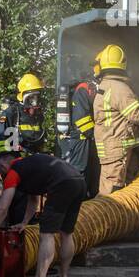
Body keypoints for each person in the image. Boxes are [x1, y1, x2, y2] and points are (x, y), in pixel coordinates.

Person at [0, 151, 85, 277]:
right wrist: (24, 222)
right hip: (79, 182)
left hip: (61, 185)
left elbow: (3, 208)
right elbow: (33, 200)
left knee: (47, 234)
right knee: (66, 233)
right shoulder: (31, 165)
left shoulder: (14, 172)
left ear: (2, 164)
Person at [92, 44, 139, 193]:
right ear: (122, 63)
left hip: (112, 146)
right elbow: (138, 116)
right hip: (117, 148)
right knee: (111, 192)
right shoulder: (119, 88)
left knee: (120, 190)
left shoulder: (106, 85)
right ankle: (106, 216)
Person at [57, 63, 99, 198]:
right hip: (79, 140)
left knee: (84, 171)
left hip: (82, 139)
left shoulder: (85, 88)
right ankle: (76, 202)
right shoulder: (83, 89)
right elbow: (81, 119)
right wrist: (95, 134)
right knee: (78, 171)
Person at [0, 74, 47, 153]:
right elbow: (1, 139)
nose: (35, 101)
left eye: (37, 96)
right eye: (32, 97)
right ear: (23, 97)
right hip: (16, 159)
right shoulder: (11, 113)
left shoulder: (39, 115)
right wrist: (5, 157)